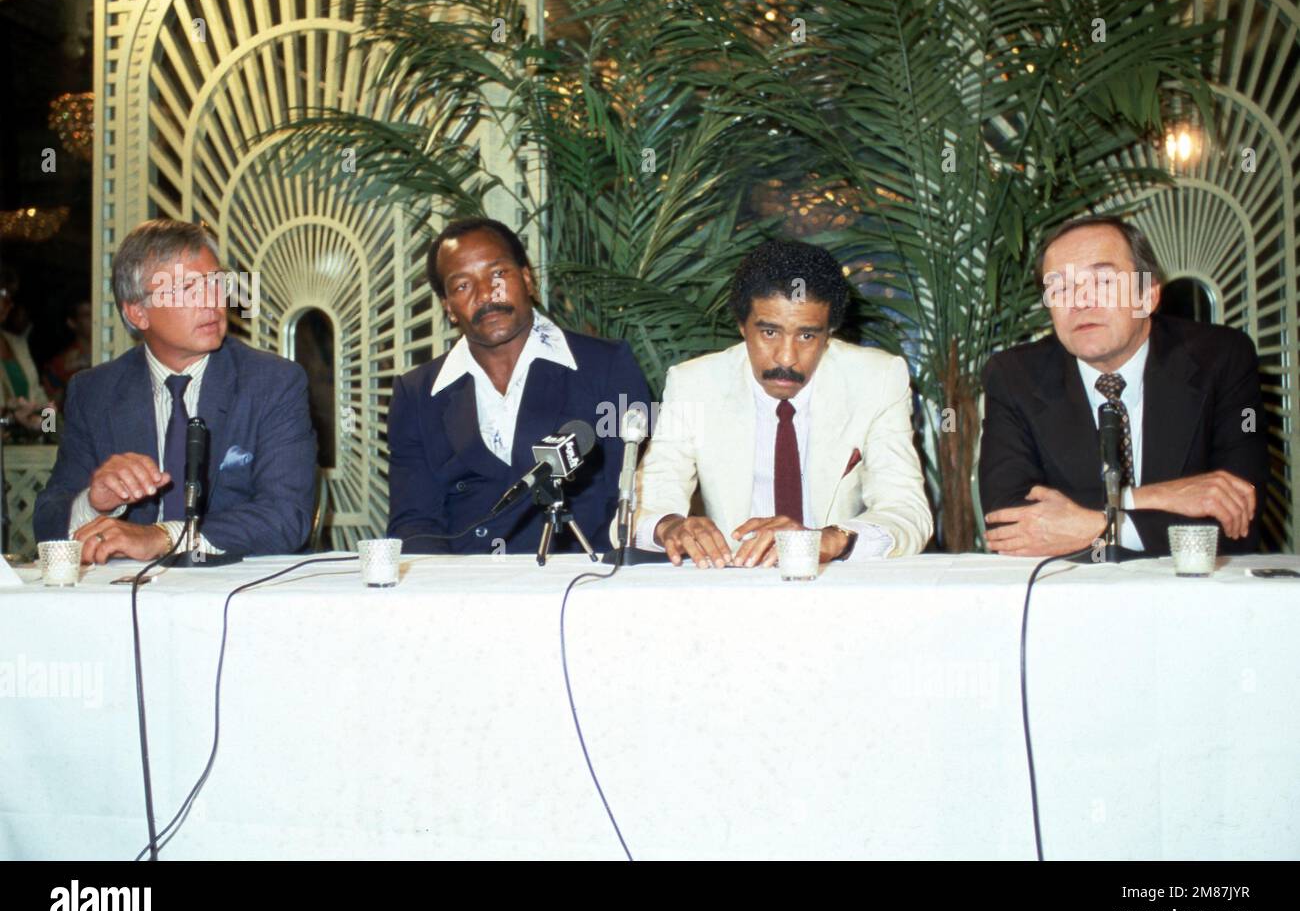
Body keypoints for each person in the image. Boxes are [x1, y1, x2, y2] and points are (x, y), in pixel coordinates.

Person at [628, 238, 933, 567]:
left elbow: (907, 510)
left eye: (807, 336)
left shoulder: (878, 379)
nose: (786, 358)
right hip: (730, 584)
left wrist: (832, 539)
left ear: (829, 333)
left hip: (835, 583)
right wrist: (669, 526)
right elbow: (643, 504)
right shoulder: (694, 384)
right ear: (742, 326)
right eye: (769, 333)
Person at [979, 214, 1267, 557]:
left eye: (1102, 282)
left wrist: (1096, 525)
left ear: (1148, 295)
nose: (1080, 302)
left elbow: (1239, 521)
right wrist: (1159, 497)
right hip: (1069, 595)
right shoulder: (1015, 376)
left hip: (1188, 592)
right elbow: (1008, 525)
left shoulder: (1220, 360)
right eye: (1061, 287)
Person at [33, 219, 316, 562]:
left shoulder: (273, 382)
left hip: (232, 596)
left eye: (216, 283)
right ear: (138, 313)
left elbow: (287, 517)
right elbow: (47, 524)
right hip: (123, 601)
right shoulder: (94, 392)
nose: (212, 301)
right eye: (187, 289)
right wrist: (94, 502)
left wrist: (163, 536)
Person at [387, 217, 652, 554]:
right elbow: (414, 522)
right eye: (462, 286)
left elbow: (636, 494)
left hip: (579, 581)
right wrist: (447, 596)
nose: (486, 295)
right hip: (464, 589)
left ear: (527, 278)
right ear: (448, 307)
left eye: (498, 274)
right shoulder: (418, 394)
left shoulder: (607, 367)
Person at [0, 267, 50, 434]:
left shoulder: (18, 344)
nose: (8, 303)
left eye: (9, 296)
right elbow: (8, 419)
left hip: (26, 453)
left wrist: (47, 422)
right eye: (2, 294)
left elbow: (40, 402)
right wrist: (10, 419)